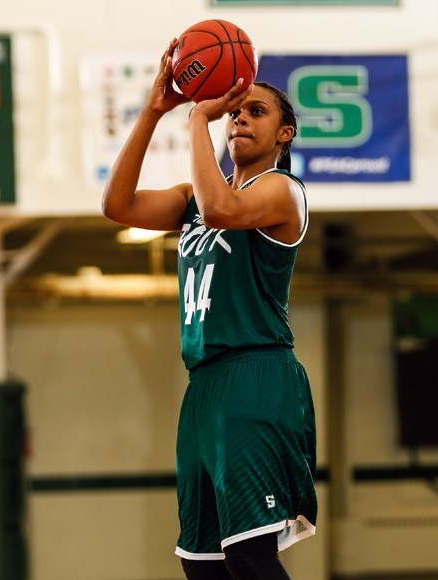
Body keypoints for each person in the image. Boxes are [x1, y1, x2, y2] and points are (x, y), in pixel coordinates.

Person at [101, 40, 316, 580]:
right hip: (204, 387)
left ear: (284, 134)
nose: (240, 118)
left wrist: (199, 116)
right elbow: (117, 205)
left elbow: (222, 210)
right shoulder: (195, 199)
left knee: (249, 553)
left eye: (256, 111)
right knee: (202, 565)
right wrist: (155, 111)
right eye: (236, 112)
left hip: (256, 375)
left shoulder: (282, 192)